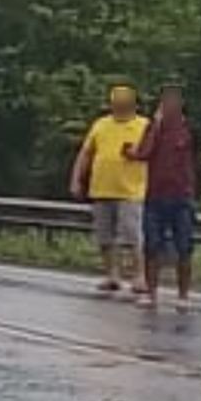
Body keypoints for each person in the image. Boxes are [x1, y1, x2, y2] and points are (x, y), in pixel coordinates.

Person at [69, 83, 149, 296]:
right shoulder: (100, 125)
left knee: (133, 235)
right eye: (116, 104)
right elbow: (85, 154)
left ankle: (139, 276)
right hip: (101, 187)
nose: (120, 107)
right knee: (104, 236)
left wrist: (137, 154)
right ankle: (111, 275)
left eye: (124, 104)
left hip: (131, 189)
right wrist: (77, 179)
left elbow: (155, 154)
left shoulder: (144, 125)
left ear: (133, 105)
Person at [127, 81, 200, 312]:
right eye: (165, 101)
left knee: (184, 246)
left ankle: (184, 294)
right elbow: (143, 153)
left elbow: (194, 153)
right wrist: (156, 126)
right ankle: (151, 292)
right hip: (156, 195)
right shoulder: (153, 128)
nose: (169, 106)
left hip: (181, 196)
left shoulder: (188, 128)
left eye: (174, 101)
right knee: (152, 245)